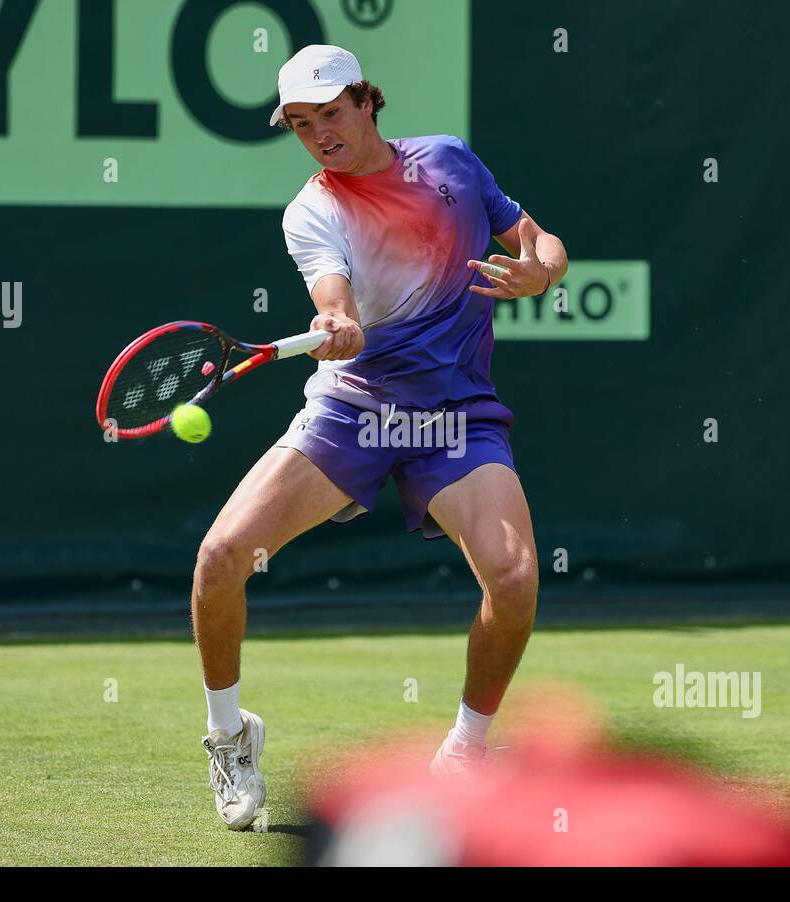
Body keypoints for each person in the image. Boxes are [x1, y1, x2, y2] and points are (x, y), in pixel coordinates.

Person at [194, 44, 568, 830]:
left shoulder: (453, 163)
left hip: (454, 414)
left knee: (516, 577)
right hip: (355, 408)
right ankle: (229, 735)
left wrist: (541, 271)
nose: (318, 134)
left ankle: (466, 749)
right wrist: (338, 324)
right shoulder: (312, 211)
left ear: (367, 102)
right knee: (221, 559)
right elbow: (337, 302)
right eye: (300, 124)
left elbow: (536, 241)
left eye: (330, 113)